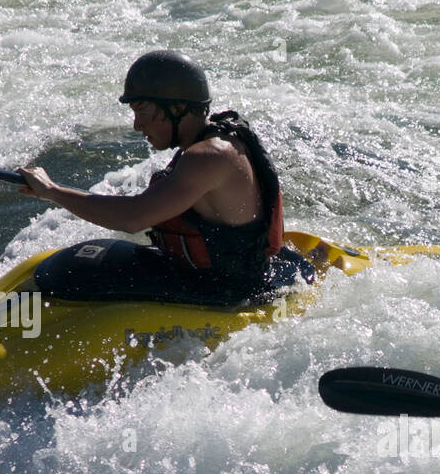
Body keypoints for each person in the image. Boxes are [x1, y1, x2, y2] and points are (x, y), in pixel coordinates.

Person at [17, 50, 305, 305]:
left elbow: (132, 219)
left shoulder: (209, 157)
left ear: (178, 109)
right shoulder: (212, 139)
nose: (136, 124)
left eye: (143, 111)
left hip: (228, 290)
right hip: (205, 272)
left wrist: (52, 191)